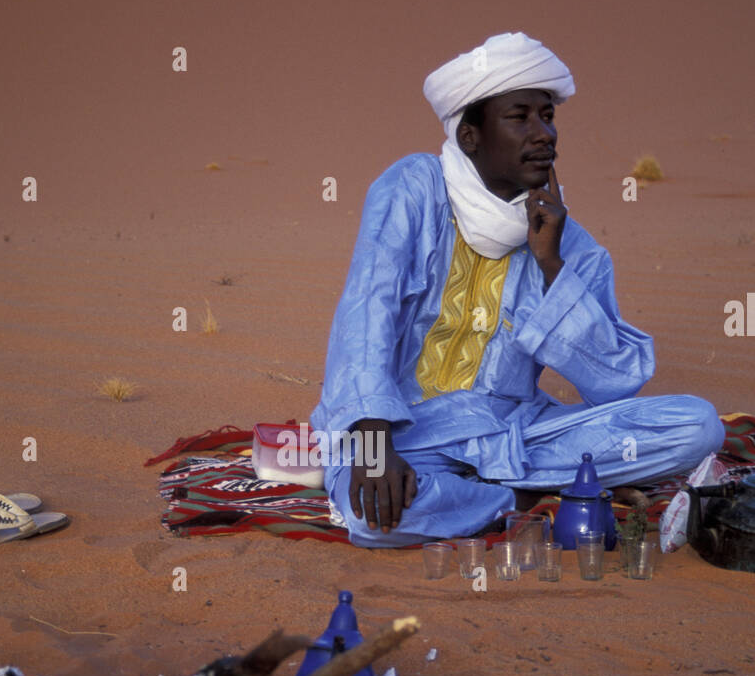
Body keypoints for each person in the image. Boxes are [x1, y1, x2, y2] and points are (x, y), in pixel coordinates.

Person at [310, 31, 724, 545]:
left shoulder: (566, 238)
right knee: (370, 517)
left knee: (699, 426)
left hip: (515, 435)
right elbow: (365, 318)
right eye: (520, 116)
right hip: (403, 433)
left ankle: (490, 493)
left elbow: (614, 379)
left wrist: (552, 265)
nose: (543, 133)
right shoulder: (414, 187)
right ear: (470, 136)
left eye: (547, 116)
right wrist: (374, 452)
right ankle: (523, 500)